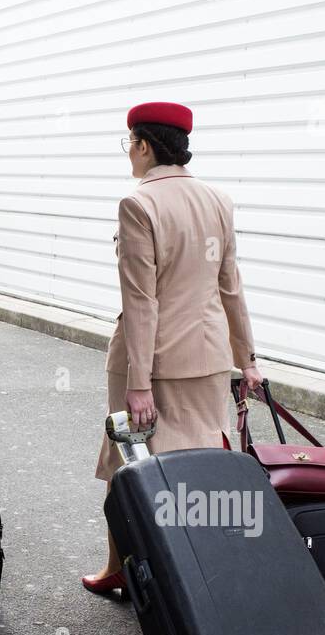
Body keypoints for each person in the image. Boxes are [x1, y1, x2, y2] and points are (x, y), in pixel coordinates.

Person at [82, 101, 265, 595]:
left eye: (130, 146)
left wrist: (138, 384)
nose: (130, 156)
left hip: (152, 364)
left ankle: (131, 571)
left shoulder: (138, 204)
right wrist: (247, 360)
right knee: (203, 475)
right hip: (207, 361)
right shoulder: (218, 200)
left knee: (130, 472)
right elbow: (231, 287)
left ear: (142, 145)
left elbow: (141, 303)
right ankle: (203, 578)